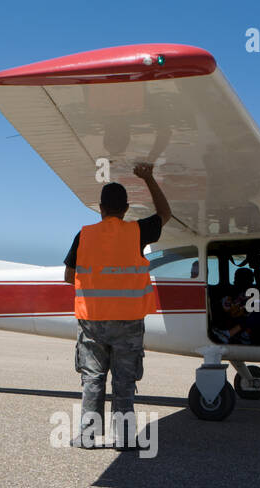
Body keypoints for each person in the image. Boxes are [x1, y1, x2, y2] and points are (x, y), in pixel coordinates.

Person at [63, 162, 171, 448]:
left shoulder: (84, 235)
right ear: (125, 209)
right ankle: (124, 437)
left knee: (93, 379)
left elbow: (68, 276)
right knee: (124, 383)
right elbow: (164, 214)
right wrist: (148, 177)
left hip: (92, 322)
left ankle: (87, 436)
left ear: (101, 208)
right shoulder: (137, 231)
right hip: (128, 321)